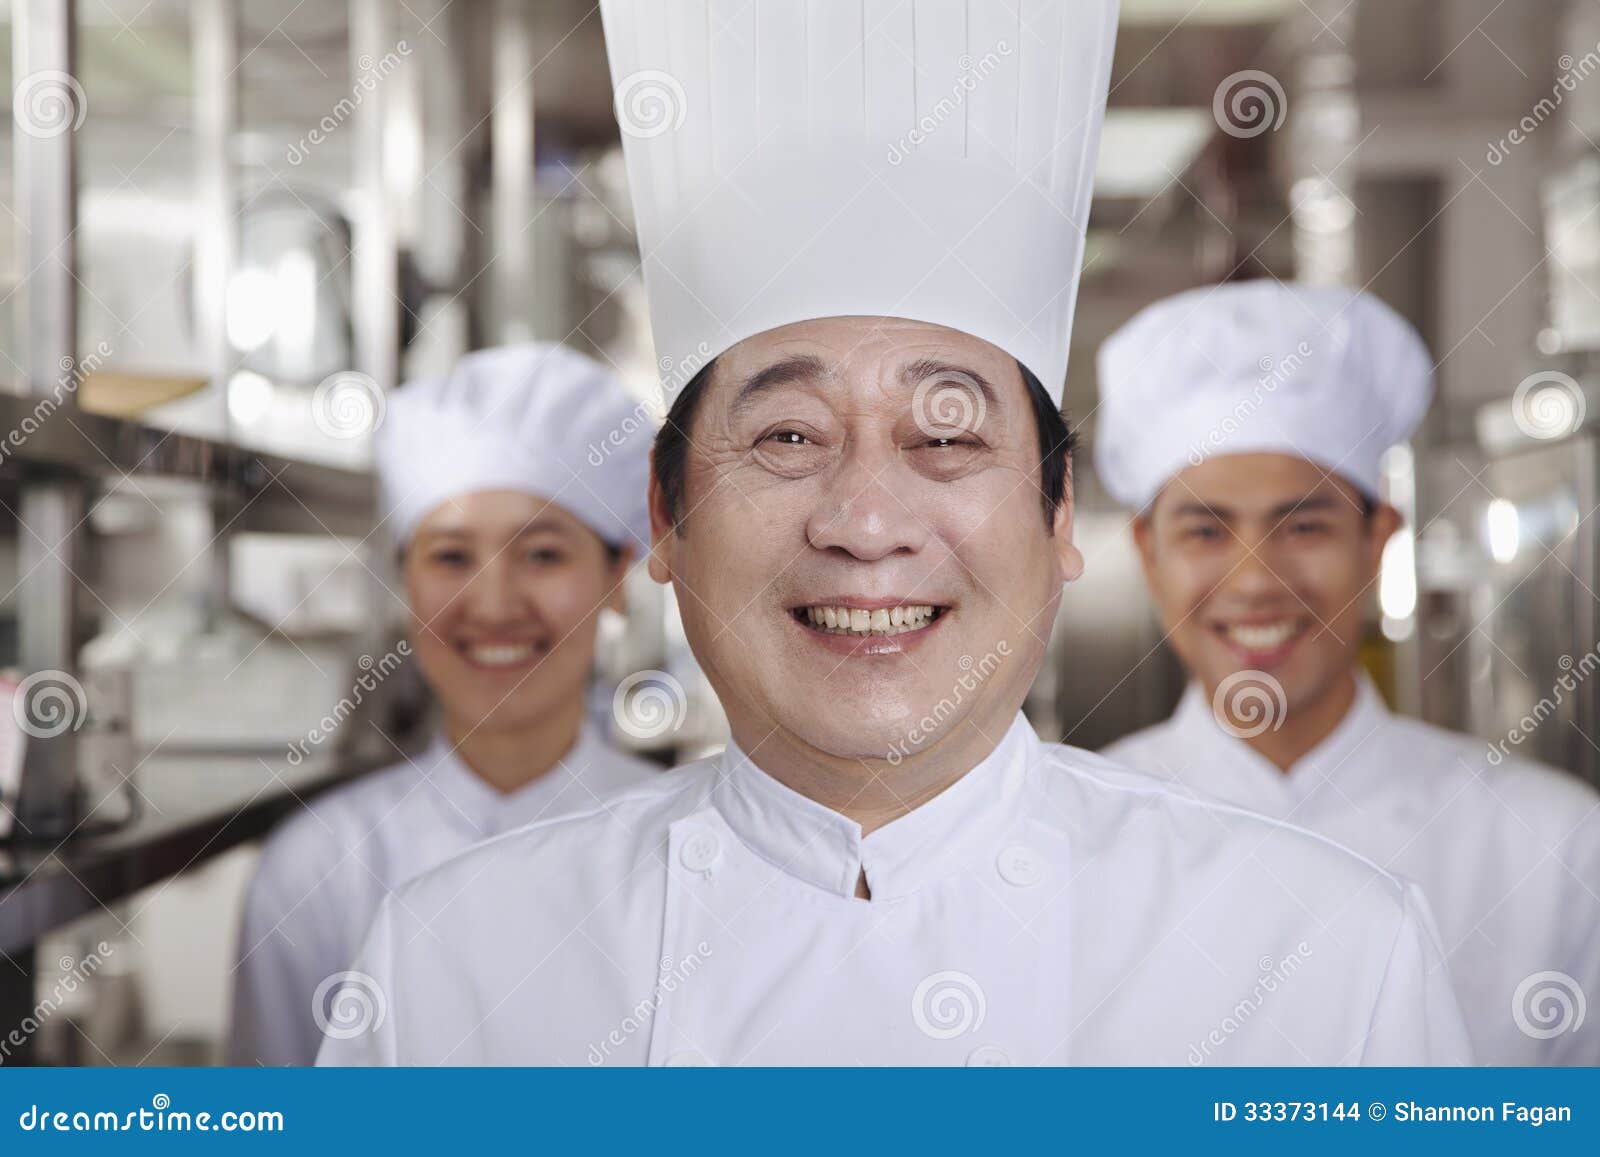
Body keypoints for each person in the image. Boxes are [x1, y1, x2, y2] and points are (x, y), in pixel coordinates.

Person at [317, 0, 1471, 1065]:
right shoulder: (448, 964)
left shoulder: (1326, 956)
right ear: (664, 519)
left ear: (1059, 515)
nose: (865, 522)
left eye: (949, 435)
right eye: (784, 437)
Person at [1096, 280, 1600, 1065]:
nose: (1257, 579)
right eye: (1205, 529)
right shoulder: (1068, 837)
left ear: (1377, 541)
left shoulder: (1552, 845)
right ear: (1147, 552)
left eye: (1304, 524)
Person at [230, 343, 661, 1066]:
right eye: (451, 557)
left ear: (618, 575)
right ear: (404, 583)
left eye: (543, 554)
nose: (491, 605)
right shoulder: (316, 872)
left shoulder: (684, 853)